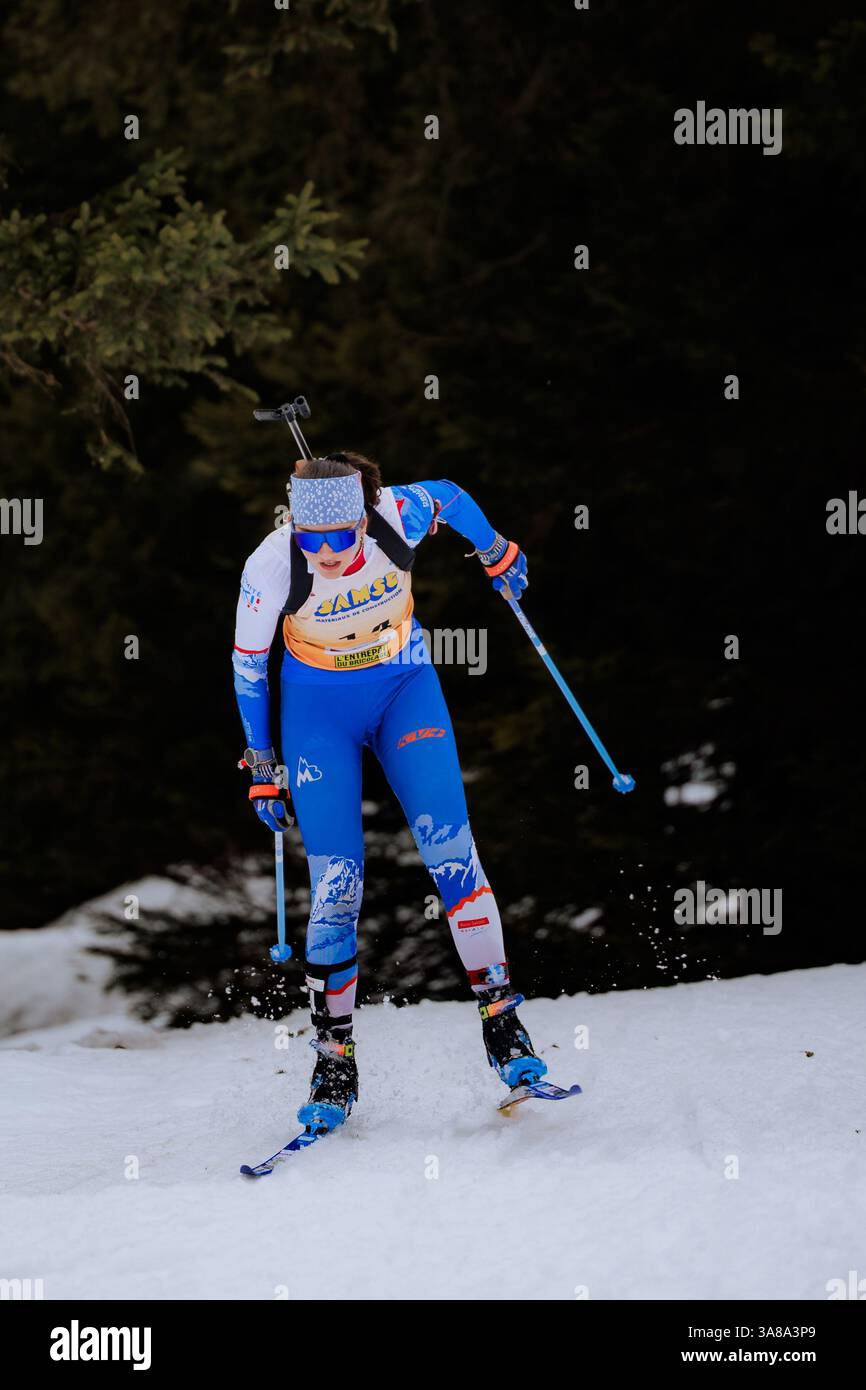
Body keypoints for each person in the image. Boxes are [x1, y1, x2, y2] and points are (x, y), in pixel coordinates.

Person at [232, 451, 547, 1131]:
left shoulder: (396, 512)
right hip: (318, 715)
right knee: (337, 885)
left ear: (361, 520)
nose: (325, 555)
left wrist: (497, 551)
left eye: (340, 539)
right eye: (310, 541)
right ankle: (334, 1060)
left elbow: (454, 496)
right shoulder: (268, 565)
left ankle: (503, 1022)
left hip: (406, 689)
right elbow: (249, 666)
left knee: (453, 856)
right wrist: (262, 762)